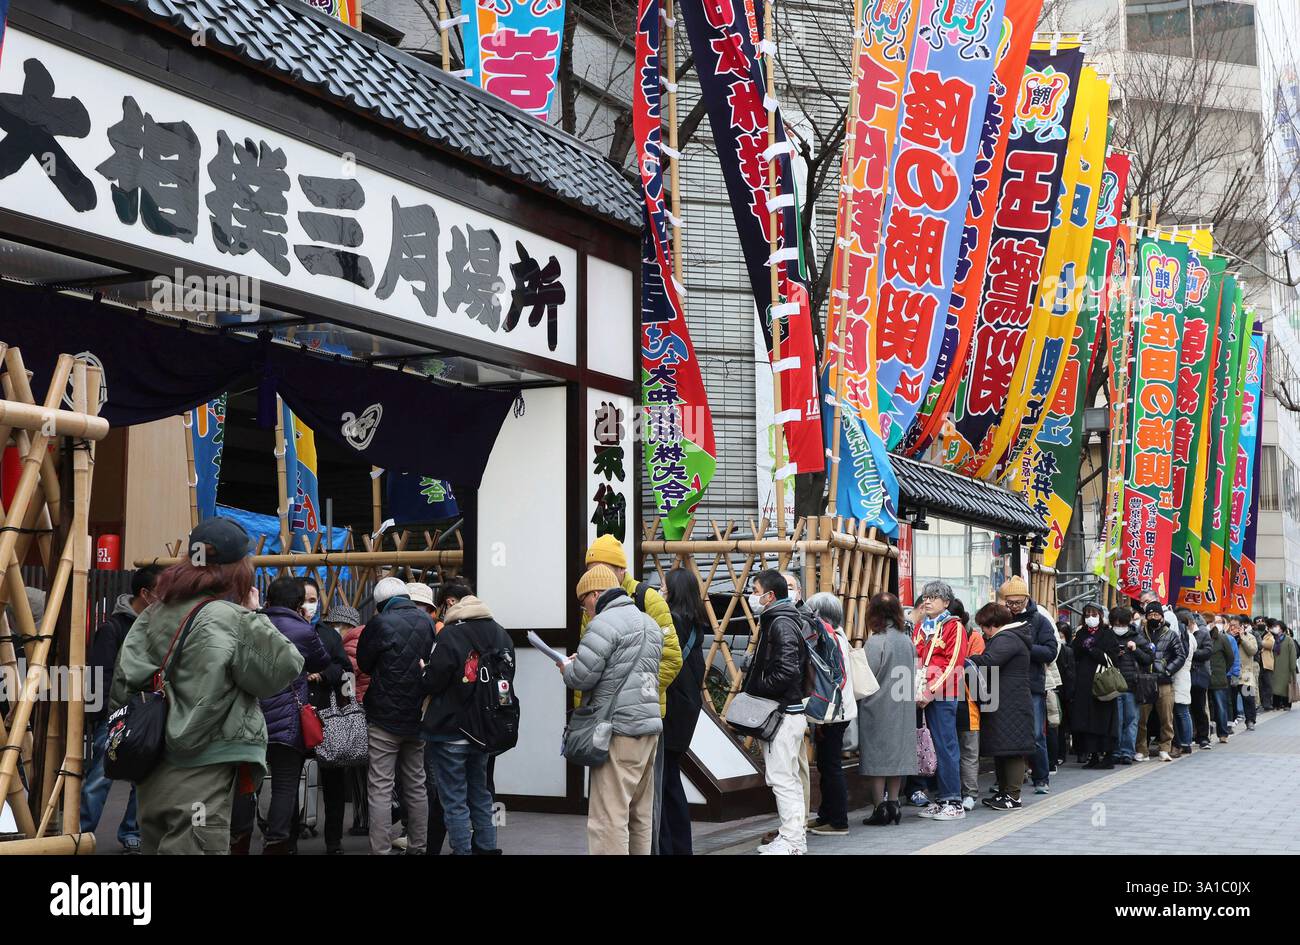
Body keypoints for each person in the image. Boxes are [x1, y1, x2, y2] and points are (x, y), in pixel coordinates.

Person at [109, 517, 303, 854]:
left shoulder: (153, 614)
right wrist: (253, 613)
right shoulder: (229, 617)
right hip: (202, 767)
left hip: (152, 768)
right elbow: (284, 668)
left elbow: (122, 687)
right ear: (237, 570)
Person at [582, 535, 681, 854]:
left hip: (636, 722)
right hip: (603, 721)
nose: (597, 573)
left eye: (601, 567)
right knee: (630, 809)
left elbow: (672, 657)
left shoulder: (648, 599)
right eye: (591, 567)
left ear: (620, 568)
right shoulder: (594, 603)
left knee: (624, 811)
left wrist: (638, 692)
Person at [563, 565, 663, 855]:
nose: (586, 612)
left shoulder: (604, 624)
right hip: (648, 728)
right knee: (640, 815)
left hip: (618, 732)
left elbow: (581, 678)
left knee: (609, 817)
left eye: (584, 604)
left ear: (594, 595)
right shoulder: (648, 623)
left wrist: (567, 667)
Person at [231, 575, 331, 854]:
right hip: (288, 721)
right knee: (285, 786)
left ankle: (238, 841)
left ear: (268, 599)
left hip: (249, 717)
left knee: (246, 783)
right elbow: (322, 661)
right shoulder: (303, 631)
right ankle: (276, 843)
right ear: (299, 604)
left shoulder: (252, 623)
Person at [420, 578, 513, 856]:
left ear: (450, 604)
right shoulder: (501, 633)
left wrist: (424, 670)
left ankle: (462, 850)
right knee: (481, 793)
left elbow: (434, 681)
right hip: (485, 730)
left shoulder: (450, 635)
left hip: (451, 729)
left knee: (454, 799)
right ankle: (486, 848)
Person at [81, 564, 162, 853]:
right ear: (146, 593)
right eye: (162, 591)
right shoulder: (113, 627)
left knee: (144, 777)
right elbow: (100, 672)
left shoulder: (161, 626)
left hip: (149, 712)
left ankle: (132, 832)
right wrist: (99, 714)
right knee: (101, 775)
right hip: (116, 712)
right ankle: (81, 832)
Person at [357, 576, 436, 855]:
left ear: (380, 604)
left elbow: (364, 664)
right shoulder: (427, 621)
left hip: (383, 717)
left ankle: (380, 850)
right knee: (416, 783)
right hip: (418, 715)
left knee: (380, 785)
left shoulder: (379, 623)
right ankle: (419, 847)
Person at [738, 568, 810, 854]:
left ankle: (793, 841)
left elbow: (787, 670)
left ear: (769, 596)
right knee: (786, 777)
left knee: (783, 779)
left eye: (755, 592)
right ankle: (792, 835)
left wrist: (759, 688)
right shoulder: (781, 619)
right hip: (788, 711)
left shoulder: (780, 622)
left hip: (782, 712)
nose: (752, 598)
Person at [966, 603, 1034, 811]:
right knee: (1003, 748)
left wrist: (968, 660)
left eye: (984, 627)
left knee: (1012, 749)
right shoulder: (1010, 637)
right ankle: (1005, 793)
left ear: (993, 624)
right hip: (1006, 701)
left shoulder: (1007, 638)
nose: (983, 632)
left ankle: (1013, 796)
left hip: (1010, 702)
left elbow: (989, 662)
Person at [858, 593, 917, 826]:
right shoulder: (906, 640)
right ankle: (894, 803)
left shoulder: (876, 641)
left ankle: (879, 807)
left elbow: (867, 676)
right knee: (897, 756)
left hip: (879, 706)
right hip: (904, 705)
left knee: (877, 759)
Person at [660, 567, 707, 855]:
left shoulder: (672, 623)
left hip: (672, 710)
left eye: (665, 586)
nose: (661, 590)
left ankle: (673, 847)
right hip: (687, 709)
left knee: (666, 783)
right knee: (670, 779)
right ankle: (678, 846)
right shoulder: (694, 623)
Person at [912, 580, 967, 821]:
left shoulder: (954, 627)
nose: (927, 600)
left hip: (943, 694)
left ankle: (953, 800)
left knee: (946, 746)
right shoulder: (921, 627)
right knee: (931, 746)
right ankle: (942, 798)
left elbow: (954, 664)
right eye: (925, 596)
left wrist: (930, 691)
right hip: (922, 693)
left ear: (946, 602)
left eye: (933, 597)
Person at [997, 575, 1057, 794]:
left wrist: (1023, 646)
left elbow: (1051, 652)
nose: (1013, 607)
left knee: (1035, 733)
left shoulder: (1039, 620)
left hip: (1031, 684)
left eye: (1017, 602)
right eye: (1009, 602)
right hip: (1003, 684)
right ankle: (1008, 779)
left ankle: (1041, 777)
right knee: (1006, 732)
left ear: (1027, 599)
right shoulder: (1001, 617)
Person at [806, 591, 856, 837]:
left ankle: (838, 821)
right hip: (838, 710)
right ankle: (826, 815)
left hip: (833, 712)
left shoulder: (829, 638)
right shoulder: (838, 635)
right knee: (827, 765)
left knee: (831, 765)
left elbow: (830, 679)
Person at [311, 599, 358, 854]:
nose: (309, 606)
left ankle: (332, 840)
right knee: (296, 778)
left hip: (326, 715)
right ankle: (291, 834)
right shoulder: (327, 635)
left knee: (332, 780)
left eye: (312, 600)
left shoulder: (329, 636)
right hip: (307, 715)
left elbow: (344, 670)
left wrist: (323, 676)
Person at [412, 578, 449, 854]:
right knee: (426, 779)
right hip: (429, 715)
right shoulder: (438, 631)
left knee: (427, 779)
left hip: (427, 714)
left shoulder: (440, 634)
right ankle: (423, 837)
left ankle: (423, 837)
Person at [1070, 605, 1120, 767]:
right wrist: (1081, 645)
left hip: (1102, 683)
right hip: (1084, 684)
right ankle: (1092, 755)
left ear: (1100, 616)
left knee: (1104, 719)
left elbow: (1113, 658)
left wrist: (1093, 649)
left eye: (1093, 615)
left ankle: (1108, 755)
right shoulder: (1081, 634)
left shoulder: (1108, 634)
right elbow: (1074, 654)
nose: (1090, 618)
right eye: (1087, 615)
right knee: (1087, 721)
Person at [336, 605, 371, 836]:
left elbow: (347, 681)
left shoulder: (350, 645)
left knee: (359, 767)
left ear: (344, 626)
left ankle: (365, 820)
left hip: (358, 708)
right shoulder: (366, 639)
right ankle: (365, 819)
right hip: (370, 706)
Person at [1108, 605, 1151, 764]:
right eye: (1116, 624)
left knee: (1131, 719)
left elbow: (1148, 659)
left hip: (1132, 685)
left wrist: (1135, 650)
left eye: (1122, 624)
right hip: (1111, 686)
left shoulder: (1137, 637)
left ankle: (1127, 751)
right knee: (1116, 721)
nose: (1119, 628)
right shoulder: (1107, 636)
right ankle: (1115, 751)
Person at [1145, 600, 1187, 761]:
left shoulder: (1171, 634)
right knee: (1142, 718)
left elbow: (1180, 655)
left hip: (1164, 681)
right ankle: (1142, 749)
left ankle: (1165, 748)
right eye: (1150, 615)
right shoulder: (1141, 633)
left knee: (1166, 717)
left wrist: (1168, 670)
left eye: (1156, 614)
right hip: (1146, 681)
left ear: (1162, 617)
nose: (1153, 617)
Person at [955, 605, 984, 810]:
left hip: (967, 710)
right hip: (958, 711)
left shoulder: (968, 658)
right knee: (965, 755)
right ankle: (963, 794)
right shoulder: (966, 662)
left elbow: (980, 689)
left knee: (965, 754)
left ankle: (967, 793)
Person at [1171, 610, 1196, 754]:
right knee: (1182, 711)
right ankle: (1185, 741)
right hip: (1185, 675)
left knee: (1182, 711)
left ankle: (1186, 741)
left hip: (1181, 675)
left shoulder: (1185, 637)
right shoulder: (1190, 637)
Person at [1208, 621, 1236, 742]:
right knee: (1206, 707)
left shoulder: (1222, 638)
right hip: (1203, 677)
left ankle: (1223, 733)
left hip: (1218, 677)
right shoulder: (1200, 636)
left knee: (1220, 706)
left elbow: (1230, 657)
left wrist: (1223, 670)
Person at [1189, 613, 1214, 748]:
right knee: (1185, 709)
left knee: (1199, 707)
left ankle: (1203, 737)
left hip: (1199, 674)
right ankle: (1190, 734)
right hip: (1184, 675)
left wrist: (1192, 653)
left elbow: (1208, 652)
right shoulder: (1180, 633)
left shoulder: (1203, 633)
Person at [1052, 622, 1075, 766]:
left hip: (1063, 692)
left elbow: (1071, 674)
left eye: (1062, 635)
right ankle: (1057, 755)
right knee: (1055, 724)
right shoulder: (1052, 648)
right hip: (1055, 690)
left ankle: (1061, 753)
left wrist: (1070, 694)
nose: (1060, 637)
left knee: (1060, 725)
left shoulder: (1068, 651)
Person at [1269, 620, 1296, 710]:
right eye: (1274, 626)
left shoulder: (1289, 640)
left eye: (1277, 627)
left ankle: (1287, 704)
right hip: (1276, 667)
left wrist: (1292, 668)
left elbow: (1293, 654)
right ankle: (1276, 705)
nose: (1275, 628)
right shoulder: (1274, 640)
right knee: (1276, 686)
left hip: (1286, 667)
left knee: (1286, 686)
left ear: (1282, 629)